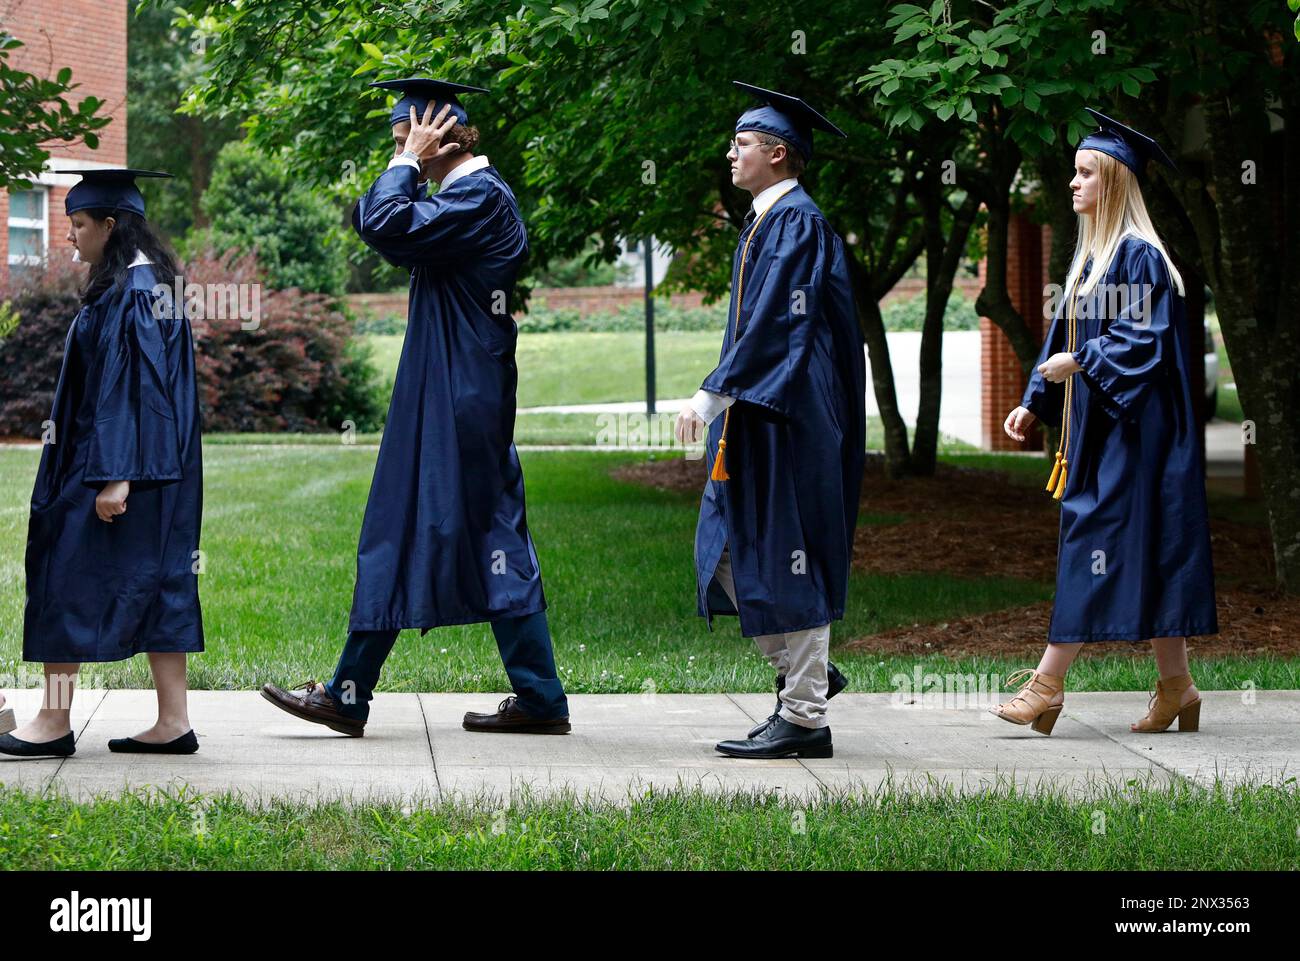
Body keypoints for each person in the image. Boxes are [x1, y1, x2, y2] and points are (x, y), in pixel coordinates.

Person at [262, 78, 569, 736]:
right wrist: (406, 166)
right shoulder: (461, 198)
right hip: (452, 388)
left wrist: (406, 164)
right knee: (463, 530)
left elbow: (384, 220)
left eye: (407, 141)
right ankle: (532, 696)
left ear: (442, 138)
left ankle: (352, 693)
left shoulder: (480, 198)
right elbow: (373, 218)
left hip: (457, 395)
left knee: (442, 529)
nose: (399, 153)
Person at [993, 109, 1217, 736]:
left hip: (1140, 433)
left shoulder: (1141, 258)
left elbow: (1141, 342)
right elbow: (1062, 336)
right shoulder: (1093, 258)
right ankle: (1178, 687)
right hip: (1108, 427)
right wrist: (1037, 399)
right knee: (1152, 550)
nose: (1073, 184)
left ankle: (1046, 685)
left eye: (1086, 174)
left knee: (1090, 539)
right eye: (1074, 172)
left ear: (1115, 184)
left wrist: (1081, 361)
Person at [675, 83, 866, 760]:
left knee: (790, 552)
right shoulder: (766, 220)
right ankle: (805, 676)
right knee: (728, 547)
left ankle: (806, 715)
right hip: (762, 406)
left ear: (778, 153)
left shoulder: (798, 223)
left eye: (743, 143)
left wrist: (711, 396)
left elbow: (774, 329)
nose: (731, 153)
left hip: (791, 412)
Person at [0, 168, 204, 759]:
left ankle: (53, 720)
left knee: (65, 577)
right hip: (158, 470)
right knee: (161, 579)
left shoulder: (134, 293)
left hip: (112, 466)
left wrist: (117, 475)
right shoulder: (150, 283)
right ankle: (173, 722)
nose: (71, 237)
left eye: (79, 224)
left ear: (110, 226)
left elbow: (135, 390)